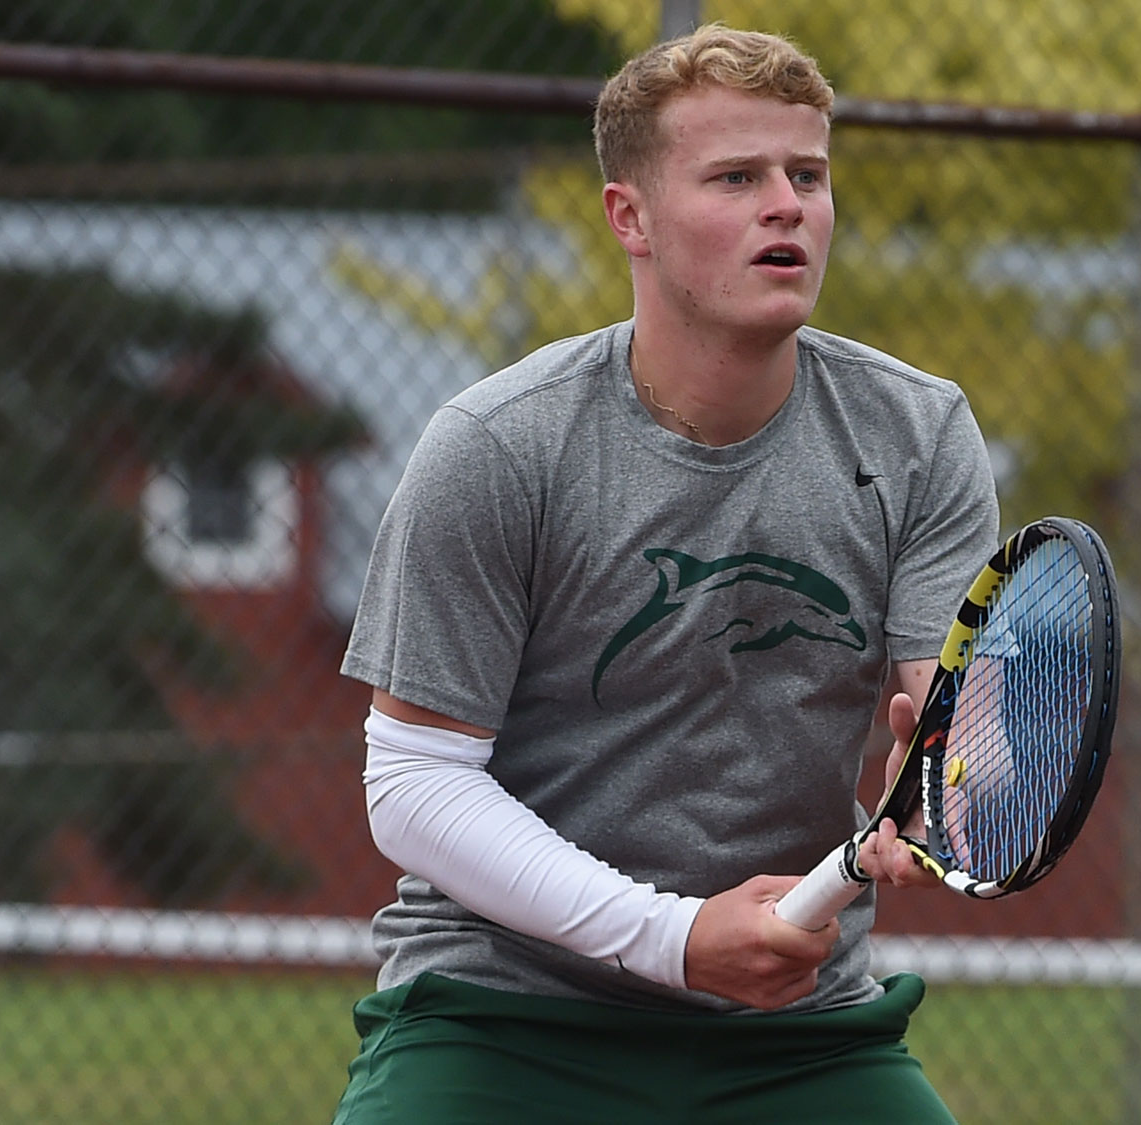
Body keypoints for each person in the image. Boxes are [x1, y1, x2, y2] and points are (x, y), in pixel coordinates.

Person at [329, 23, 998, 1124]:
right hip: (504, 1015)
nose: (786, 206)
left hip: (796, 1032)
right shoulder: (498, 445)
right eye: (736, 178)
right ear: (628, 217)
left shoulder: (919, 433)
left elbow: (946, 721)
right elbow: (413, 783)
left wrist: (947, 779)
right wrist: (674, 937)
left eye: (807, 175)